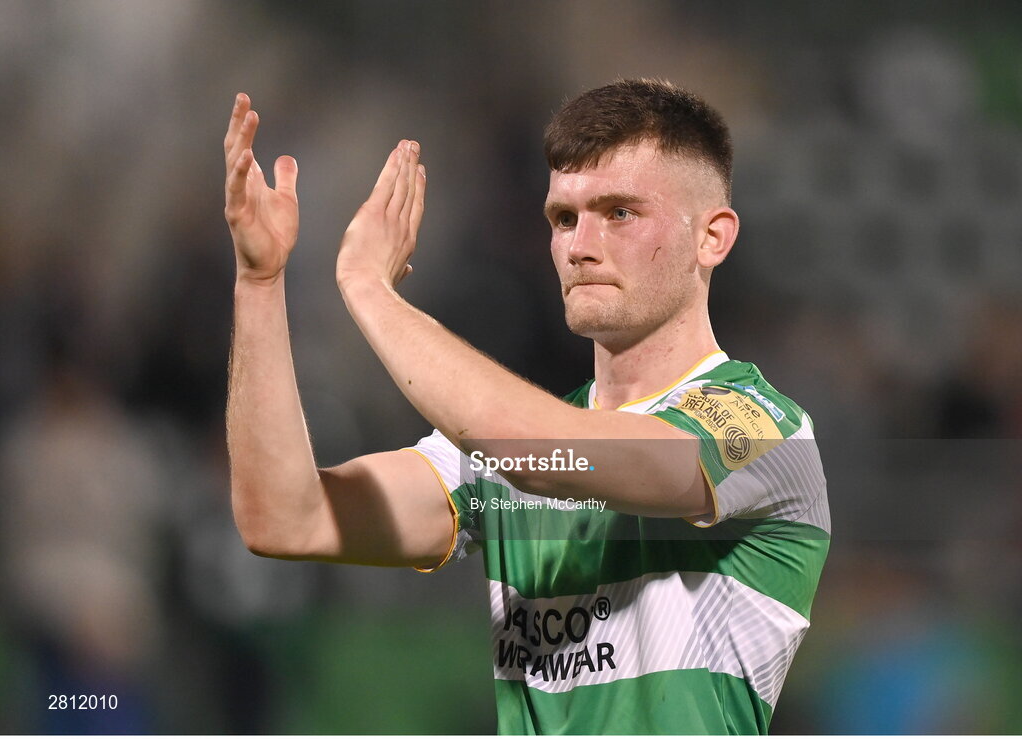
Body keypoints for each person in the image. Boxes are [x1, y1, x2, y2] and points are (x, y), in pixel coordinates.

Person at [223, 78, 830, 734]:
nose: (579, 245)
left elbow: (539, 450)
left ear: (712, 236)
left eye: (619, 213)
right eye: (564, 217)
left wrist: (369, 289)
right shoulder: (502, 459)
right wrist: (260, 282)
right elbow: (284, 518)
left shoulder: (764, 429)